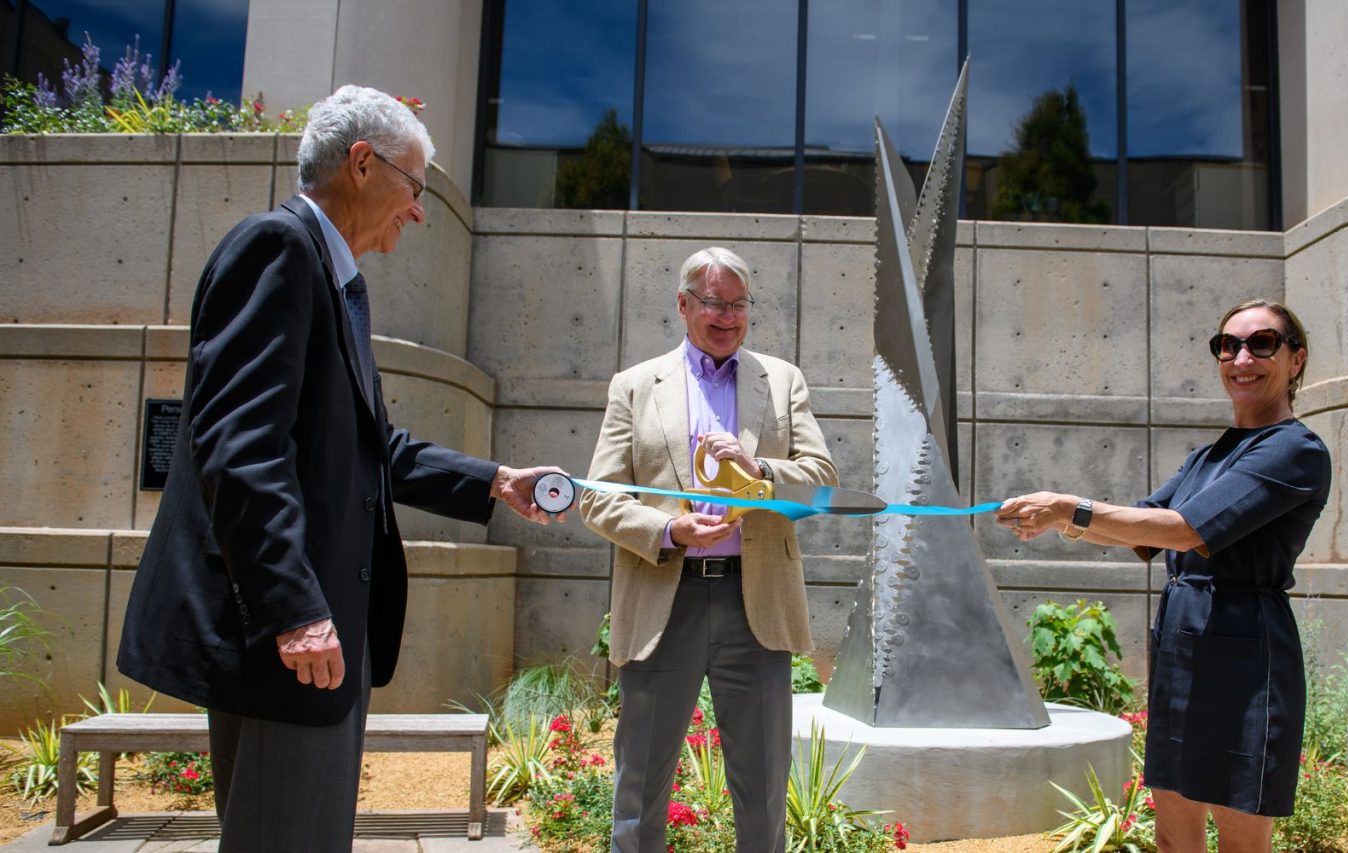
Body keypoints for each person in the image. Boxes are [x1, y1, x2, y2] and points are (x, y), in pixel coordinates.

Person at [116, 84, 563, 852]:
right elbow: (238, 443)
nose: (420, 211)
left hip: (315, 640)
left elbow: (370, 447)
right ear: (362, 164)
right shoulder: (279, 250)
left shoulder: (333, 279)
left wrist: (495, 480)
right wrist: (293, 607)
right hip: (286, 640)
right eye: (414, 186)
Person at [996, 299, 1330, 852]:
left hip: (1247, 652)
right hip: (1183, 644)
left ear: (1295, 360)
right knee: (1174, 822)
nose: (1241, 357)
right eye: (1227, 346)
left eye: (1261, 344)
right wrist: (1056, 519)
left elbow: (1185, 529)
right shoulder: (1210, 456)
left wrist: (1068, 509)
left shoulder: (1295, 450)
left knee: (1241, 829)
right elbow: (1143, 530)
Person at [581, 246, 837, 853]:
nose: (728, 317)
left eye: (739, 304)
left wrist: (760, 468)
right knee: (640, 784)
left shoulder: (783, 381)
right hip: (664, 598)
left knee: (764, 788)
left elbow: (822, 484)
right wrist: (669, 530)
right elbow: (597, 498)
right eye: (714, 303)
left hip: (757, 602)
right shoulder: (636, 386)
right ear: (683, 304)